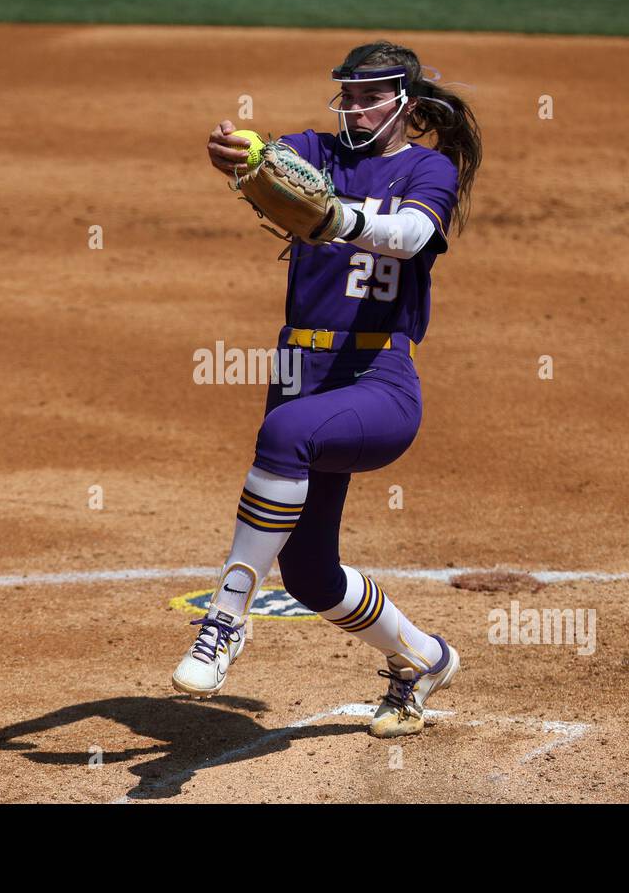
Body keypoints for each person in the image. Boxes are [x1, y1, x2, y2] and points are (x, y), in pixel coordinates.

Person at [172, 40, 482, 737]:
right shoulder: (316, 148)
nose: (352, 107)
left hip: (378, 377)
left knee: (285, 436)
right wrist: (240, 153)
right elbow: (266, 157)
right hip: (297, 370)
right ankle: (424, 659)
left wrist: (343, 220)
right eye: (345, 94)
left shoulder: (428, 168)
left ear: (406, 102)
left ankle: (223, 622)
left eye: (369, 96)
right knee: (311, 574)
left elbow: (407, 235)